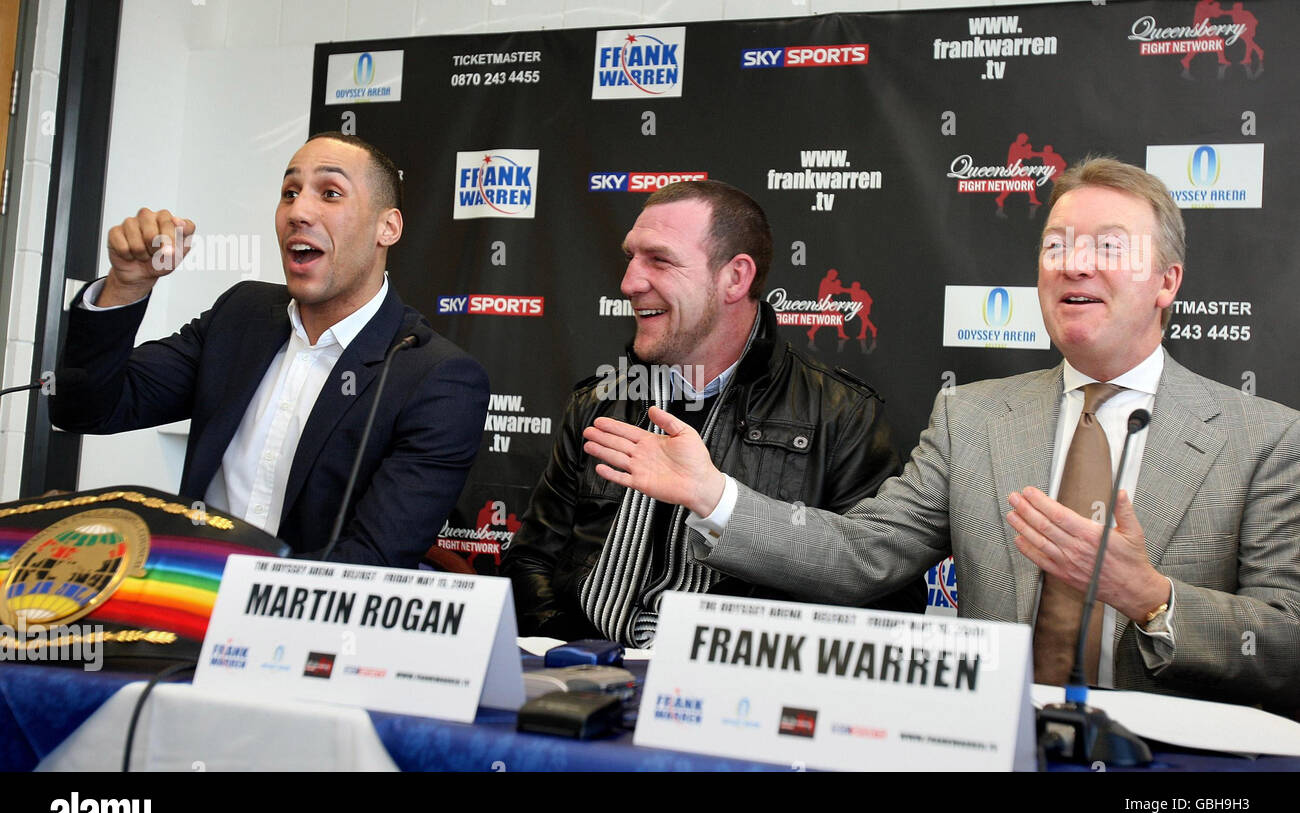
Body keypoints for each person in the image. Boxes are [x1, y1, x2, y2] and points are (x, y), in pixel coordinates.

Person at [583, 158, 1300, 713]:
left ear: (1167, 280)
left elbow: (1287, 647)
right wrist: (717, 497)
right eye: (1057, 246)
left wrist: (1152, 598)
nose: (1075, 263)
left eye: (1107, 246)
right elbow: (861, 554)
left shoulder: (1264, 439)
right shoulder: (975, 417)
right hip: (995, 745)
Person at [502, 180, 924, 647]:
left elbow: (886, 599)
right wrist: (576, 660)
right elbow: (532, 560)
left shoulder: (840, 414)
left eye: (659, 259)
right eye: (630, 257)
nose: (628, 282)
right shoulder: (598, 401)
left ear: (735, 278)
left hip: (737, 695)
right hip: (590, 671)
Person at [50, 132, 490, 568]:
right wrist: (126, 286)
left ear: (387, 227)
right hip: (185, 610)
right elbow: (86, 409)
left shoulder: (436, 378)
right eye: (289, 193)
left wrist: (226, 595)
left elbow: (371, 559)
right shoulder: (241, 316)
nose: (298, 211)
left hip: (312, 628)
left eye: (331, 193)